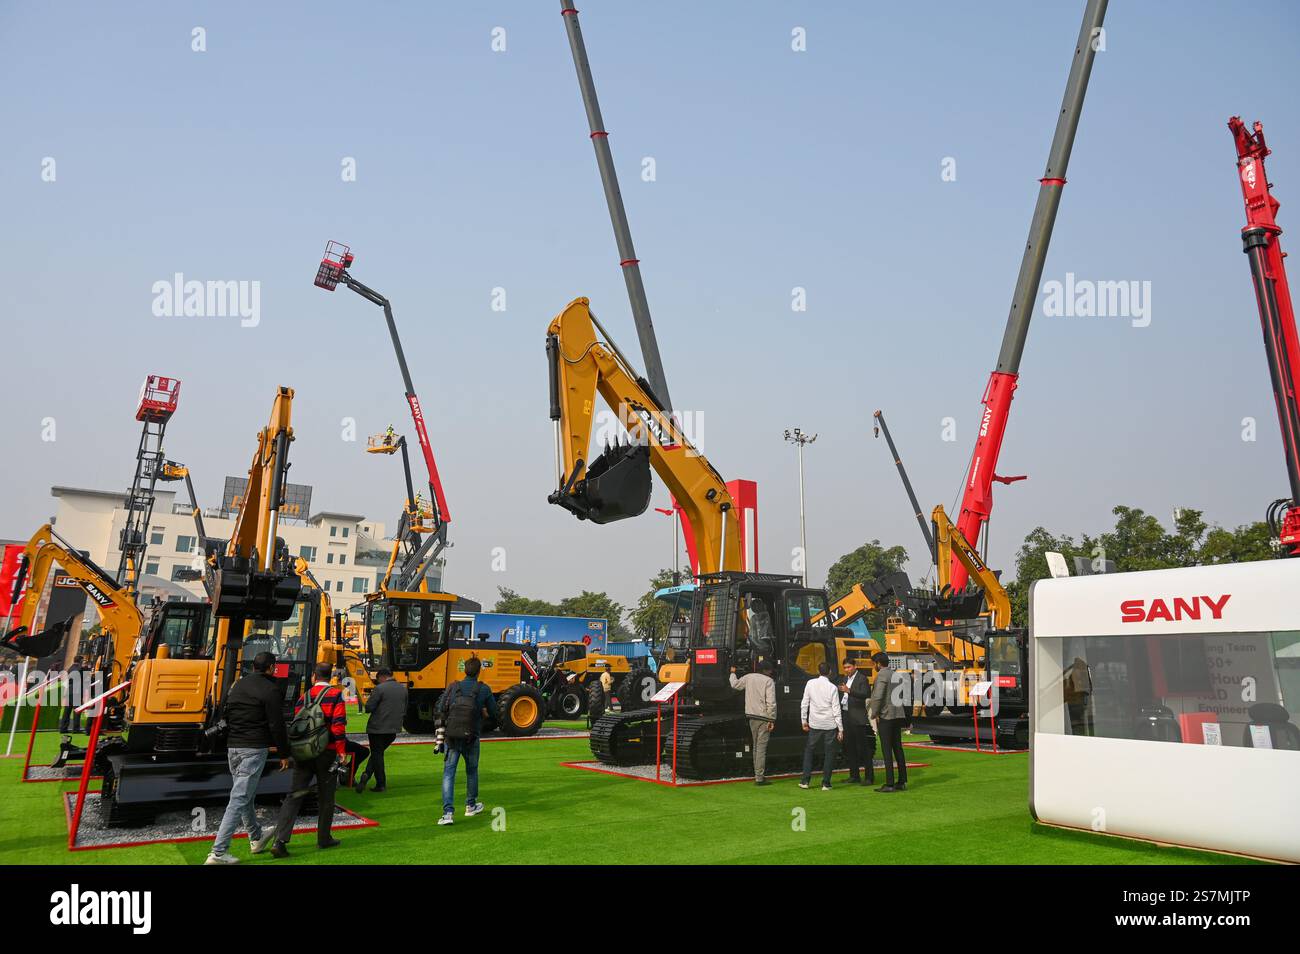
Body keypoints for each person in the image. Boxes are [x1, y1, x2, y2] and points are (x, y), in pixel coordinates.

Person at [206, 652, 291, 865]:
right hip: (253, 748)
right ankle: (218, 852)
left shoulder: (237, 685)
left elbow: (223, 714)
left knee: (245, 796)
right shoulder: (270, 689)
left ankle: (256, 837)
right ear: (271, 667)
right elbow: (277, 725)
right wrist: (284, 753)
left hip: (233, 747)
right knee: (239, 799)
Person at [269, 663, 348, 857]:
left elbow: (297, 725)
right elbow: (338, 726)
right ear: (331, 677)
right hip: (326, 752)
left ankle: (280, 841)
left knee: (294, 795)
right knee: (326, 797)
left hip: (303, 753)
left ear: (314, 677)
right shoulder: (335, 695)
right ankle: (323, 838)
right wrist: (341, 751)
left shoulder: (304, 697)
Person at [436, 656, 498, 826]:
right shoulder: (483, 689)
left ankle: (448, 813)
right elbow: (495, 712)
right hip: (472, 736)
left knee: (449, 773)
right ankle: (470, 805)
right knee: (472, 771)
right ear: (479, 671)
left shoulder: (453, 686)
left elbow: (441, 708)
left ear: (464, 670)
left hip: (452, 736)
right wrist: (482, 712)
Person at [355, 668, 407, 793]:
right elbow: (405, 708)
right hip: (394, 728)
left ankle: (380, 783)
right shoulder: (403, 689)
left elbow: (369, 707)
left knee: (377, 754)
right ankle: (367, 774)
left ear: (382, 677)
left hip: (377, 728)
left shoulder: (380, 689)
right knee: (377, 754)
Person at [729, 661, 777, 785]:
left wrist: (732, 673)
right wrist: (772, 719)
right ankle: (759, 777)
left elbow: (735, 685)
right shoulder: (768, 681)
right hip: (764, 718)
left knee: (755, 746)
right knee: (761, 748)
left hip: (751, 716)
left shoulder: (748, 677)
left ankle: (757, 774)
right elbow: (771, 702)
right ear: (767, 670)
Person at [868, 651, 908, 793]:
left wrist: (875, 713)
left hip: (886, 715)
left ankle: (890, 783)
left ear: (878, 664)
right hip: (897, 714)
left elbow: (878, 697)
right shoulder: (895, 674)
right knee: (898, 748)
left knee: (886, 750)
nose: (874, 666)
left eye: (874, 664)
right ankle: (902, 781)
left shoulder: (882, 675)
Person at [799, 662, 843, 790]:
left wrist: (803, 721)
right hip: (829, 724)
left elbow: (804, 703)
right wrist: (840, 728)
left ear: (818, 671)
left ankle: (805, 781)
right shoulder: (832, 687)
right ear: (829, 672)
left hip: (814, 723)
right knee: (829, 753)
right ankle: (826, 783)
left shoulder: (810, 683)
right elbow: (836, 709)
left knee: (809, 751)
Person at [838, 658, 875, 785]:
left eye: (848, 667)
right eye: (845, 668)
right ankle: (854, 775)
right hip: (846, 716)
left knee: (863, 748)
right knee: (850, 748)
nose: (847, 670)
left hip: (858, 717)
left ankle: (869, 777)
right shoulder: (844, 679)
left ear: (855, 666)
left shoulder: (862, 678)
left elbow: (866, 693)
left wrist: (849, 691)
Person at [59, 656, 85, 734]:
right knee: (77, 711)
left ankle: (63, 728)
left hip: (69, 691)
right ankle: (76, 729)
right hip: (76, 692)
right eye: (82, 660)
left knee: (67, 711)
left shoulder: (71, 668)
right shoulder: (78, 669)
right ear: (80, 660)